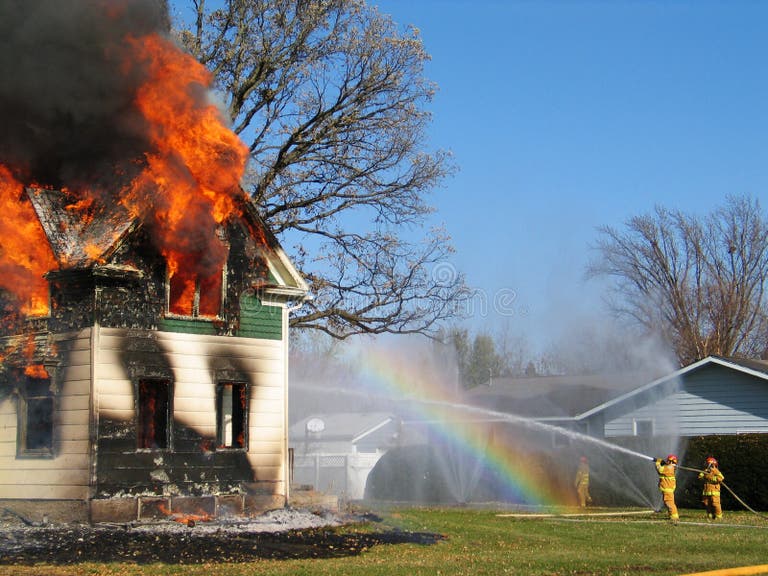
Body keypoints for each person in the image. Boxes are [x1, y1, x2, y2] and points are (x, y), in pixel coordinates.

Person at [698, 456, 725, 521]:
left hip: (714, 491)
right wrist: (703, 474)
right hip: (706, 491)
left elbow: (721, 478)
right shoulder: (705, 471)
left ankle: (719, 516)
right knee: (707, 504)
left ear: (712, 464)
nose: (706, 465)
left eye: (708, 464)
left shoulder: (716, 471)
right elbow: (699, 477)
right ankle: (710, 515)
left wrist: (712, 478)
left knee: (715, 504)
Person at [655, 454, 679, 523]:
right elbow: (660, 472)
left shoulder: (669, 468)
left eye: (667, 460)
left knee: (669, 503)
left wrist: (658, 462)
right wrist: (660, 464)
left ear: (670, 461)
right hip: (667, 489)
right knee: (669, 502)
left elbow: (659, 469)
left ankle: (674, 516)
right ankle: (672, 515)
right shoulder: (670, 468)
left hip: (667, 489)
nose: (667, 461)